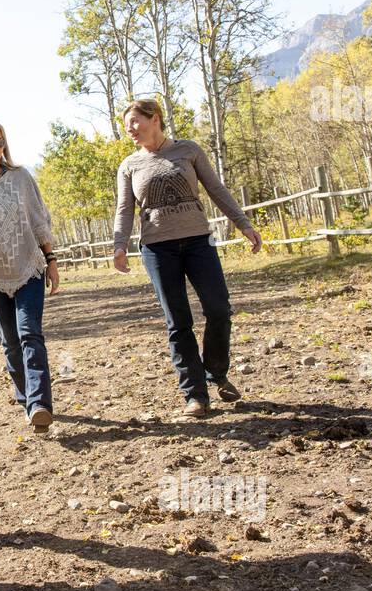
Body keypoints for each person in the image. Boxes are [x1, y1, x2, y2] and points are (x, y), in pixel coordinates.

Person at [111, 98, 261, 418]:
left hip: (198, 242)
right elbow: (125, 210)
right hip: (157, 248)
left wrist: (243, 224)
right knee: (178, 321)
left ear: (155, 119)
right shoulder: (129, 165)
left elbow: (216, 189)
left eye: (135, 122)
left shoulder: (189, 150)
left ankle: (216, 372)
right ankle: (195, 395)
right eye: (127, 126)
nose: (130, 130)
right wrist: (119, 245)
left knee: (219, 309)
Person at [0, 120, 60, 431]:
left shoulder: (20, 178)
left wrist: (51, 259)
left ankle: (40, 402)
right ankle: (26, 396)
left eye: (0, 141)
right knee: (10, 340)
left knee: (30, 332)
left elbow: (39, 219)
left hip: (28, 265)